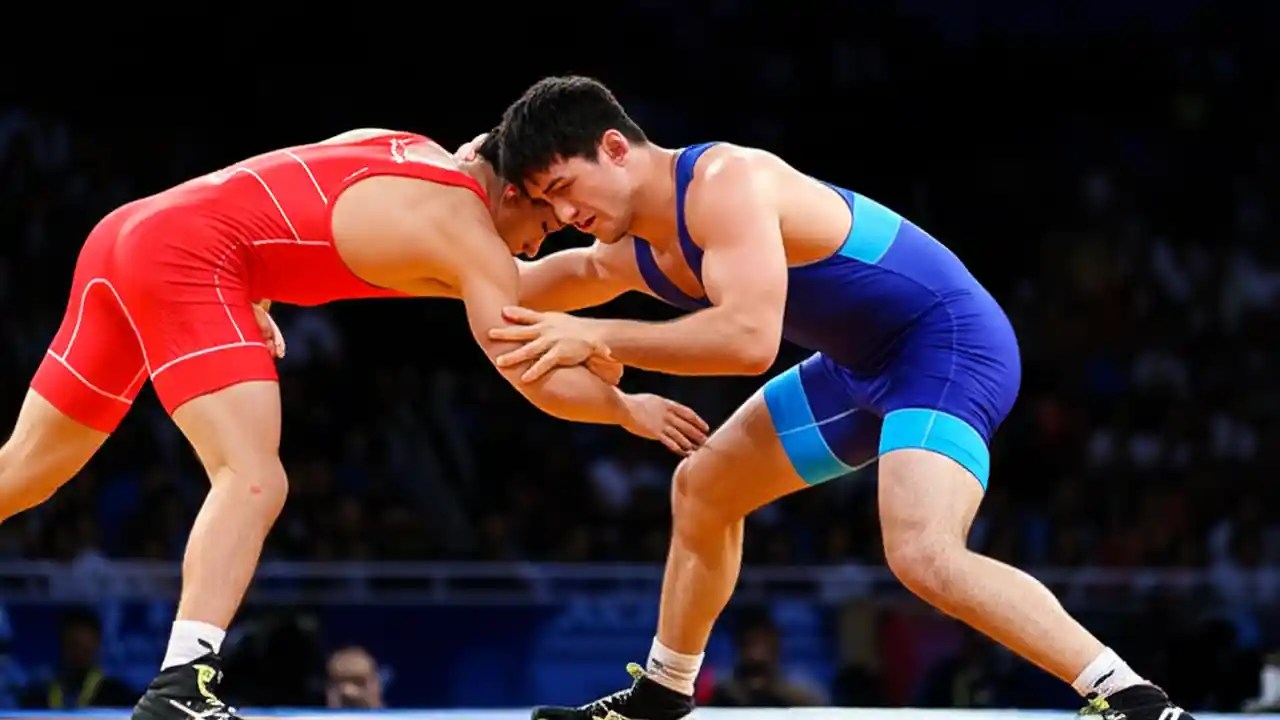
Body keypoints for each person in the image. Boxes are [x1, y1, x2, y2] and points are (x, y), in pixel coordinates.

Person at [460, 75, 1194, 720]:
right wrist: (405, 222)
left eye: (562, 189)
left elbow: (748, 341)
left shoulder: (726, 181)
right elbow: (491, 285)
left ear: (615, 148)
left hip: (946, 345)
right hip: (856, 367)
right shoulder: (629, 249)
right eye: (547, 203)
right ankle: (664, 690)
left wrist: (599, 339)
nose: (560, 215)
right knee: (704, 488)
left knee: (922, 553)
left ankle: (1131, 697)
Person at [0, 127, 708, 720]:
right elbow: (526, 366)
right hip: (188, 258)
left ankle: (179, 685)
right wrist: (625, 408)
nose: (533, 245)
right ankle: (181, 686)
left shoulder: (406, 148)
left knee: (26, 471)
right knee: (253, 478)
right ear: (516, 186)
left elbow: (281, 191)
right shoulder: (467, 232)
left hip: (127, 232)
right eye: (544, 225)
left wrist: (255, 288)